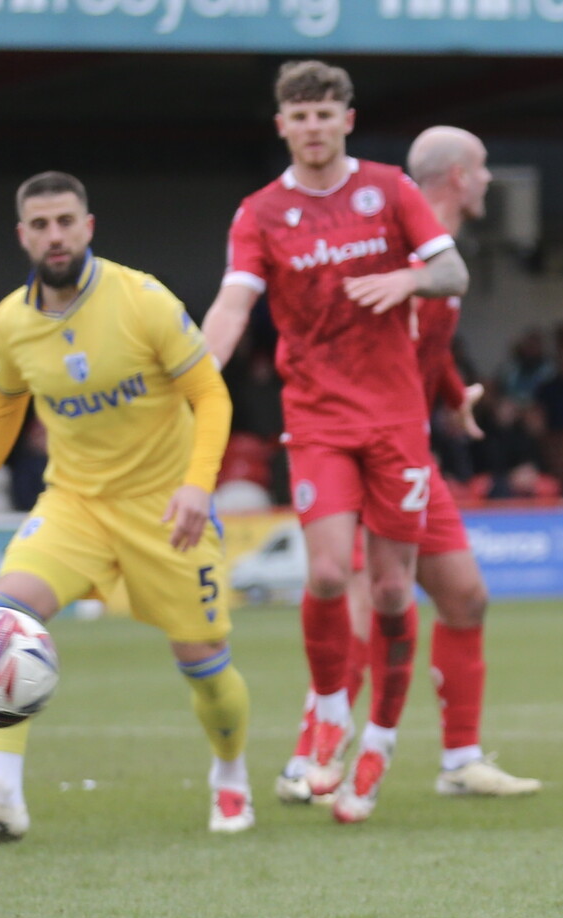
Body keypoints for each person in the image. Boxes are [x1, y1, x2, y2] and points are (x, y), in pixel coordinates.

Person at [0, 171, 252, 842]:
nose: (55, 235)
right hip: (73, 503)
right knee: (2, 622)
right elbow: (1, 411)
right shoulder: (11, 320)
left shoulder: (142, 299)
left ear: (88, 226)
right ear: (22, 236)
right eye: (40, 225)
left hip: (165, 510)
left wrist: (197, 483)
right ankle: (1, 797)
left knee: (205, 666)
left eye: (66, 221)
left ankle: (231, 775)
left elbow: (212, 396)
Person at [201, 60, 469, 822]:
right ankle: (328, 707)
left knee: (389, 589)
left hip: (395, 420)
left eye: (326, 113)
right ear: (281, 125)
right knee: (324, 575)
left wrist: (409, 282)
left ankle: (381, 734)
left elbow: (452, 268)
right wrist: (194, 368)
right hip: (317, 417)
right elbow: (233, 303)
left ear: (347, 119)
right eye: (300, 115)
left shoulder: (389, 189)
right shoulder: (259, 212)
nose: (313, 127)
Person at [273, 124, 539, 813]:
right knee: (362, 600)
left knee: (464, 597)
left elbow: (422, 353)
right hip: (358, 443)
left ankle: (459, 760)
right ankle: (308, 759)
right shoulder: (392, 246)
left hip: (410, 446)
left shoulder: (434, 261)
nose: (487, 181)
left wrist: (455, 395)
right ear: (456, 176)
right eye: (480, 169)